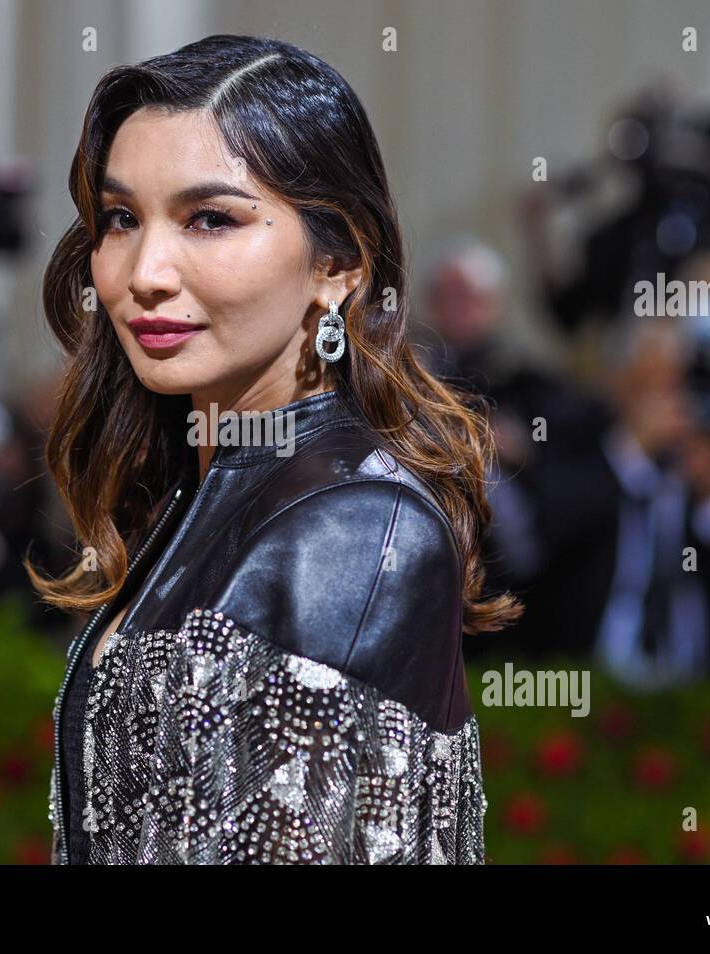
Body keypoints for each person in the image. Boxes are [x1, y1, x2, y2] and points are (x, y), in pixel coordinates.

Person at [26, 34, 519, 866]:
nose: (145, 271)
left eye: (210, 219)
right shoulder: (201, 490)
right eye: (121, 219)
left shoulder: (356, 527)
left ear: (340, 264)